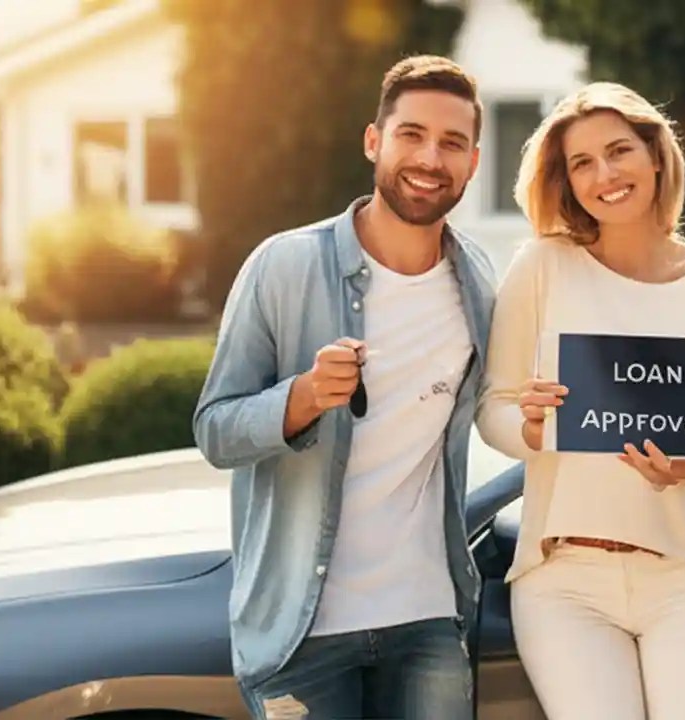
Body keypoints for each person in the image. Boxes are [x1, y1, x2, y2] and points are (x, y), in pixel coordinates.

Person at [193, 54, 495, 720]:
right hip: (303, 632)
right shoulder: (285, 265)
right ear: (373, 142)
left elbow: (504, 411)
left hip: (428, 622)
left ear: (473, 163)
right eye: (410, 134)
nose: (429, 158)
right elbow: (214, 429)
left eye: (452, 143)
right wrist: (302, 397)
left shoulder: (480, 285)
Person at [477, 82, 685, 720]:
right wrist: (532, 427)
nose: (604, 174)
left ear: (657, 154)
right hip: (565, 577)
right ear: (567, 181)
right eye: (581, 163)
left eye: (618, 150)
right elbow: (495, 407)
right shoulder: (542, 265)